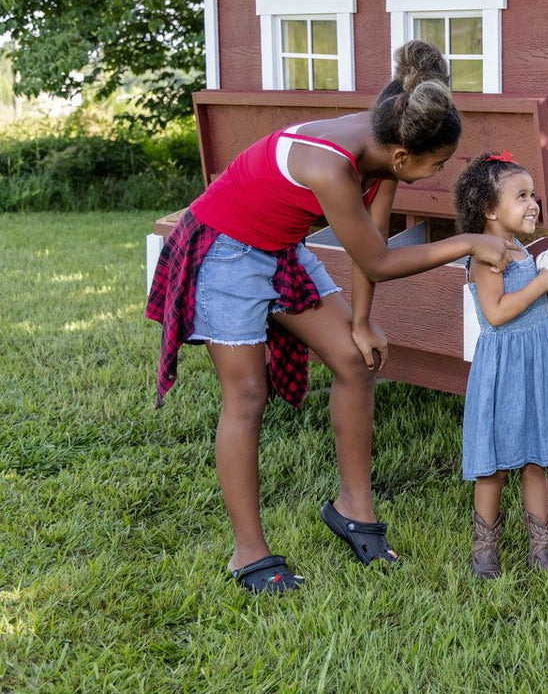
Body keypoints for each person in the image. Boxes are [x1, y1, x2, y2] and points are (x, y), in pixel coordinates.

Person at [146, 40, 512, 594]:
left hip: (278, 249)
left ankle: (352, 507)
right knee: (247, 396)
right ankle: (248, 552)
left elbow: (375, 239)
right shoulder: (329, 164)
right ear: (402, 157)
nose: (436, 172)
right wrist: (467, 241)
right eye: (436, 165)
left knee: (356, 359)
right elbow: (379, 260)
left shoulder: (389, 135)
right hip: (224, 252)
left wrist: (362, 322)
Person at [452, 151, 548, 579]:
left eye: (533, 195)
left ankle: (542, 552)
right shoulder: (487, 257)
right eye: (521, 196)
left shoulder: (520, 249)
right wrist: (542, 283)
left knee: (535, 459)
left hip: (535, 363)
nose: (533, 204)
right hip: (504, 369)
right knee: (494, 466)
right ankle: (484, 555)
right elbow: (497, 313)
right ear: (489, 209)